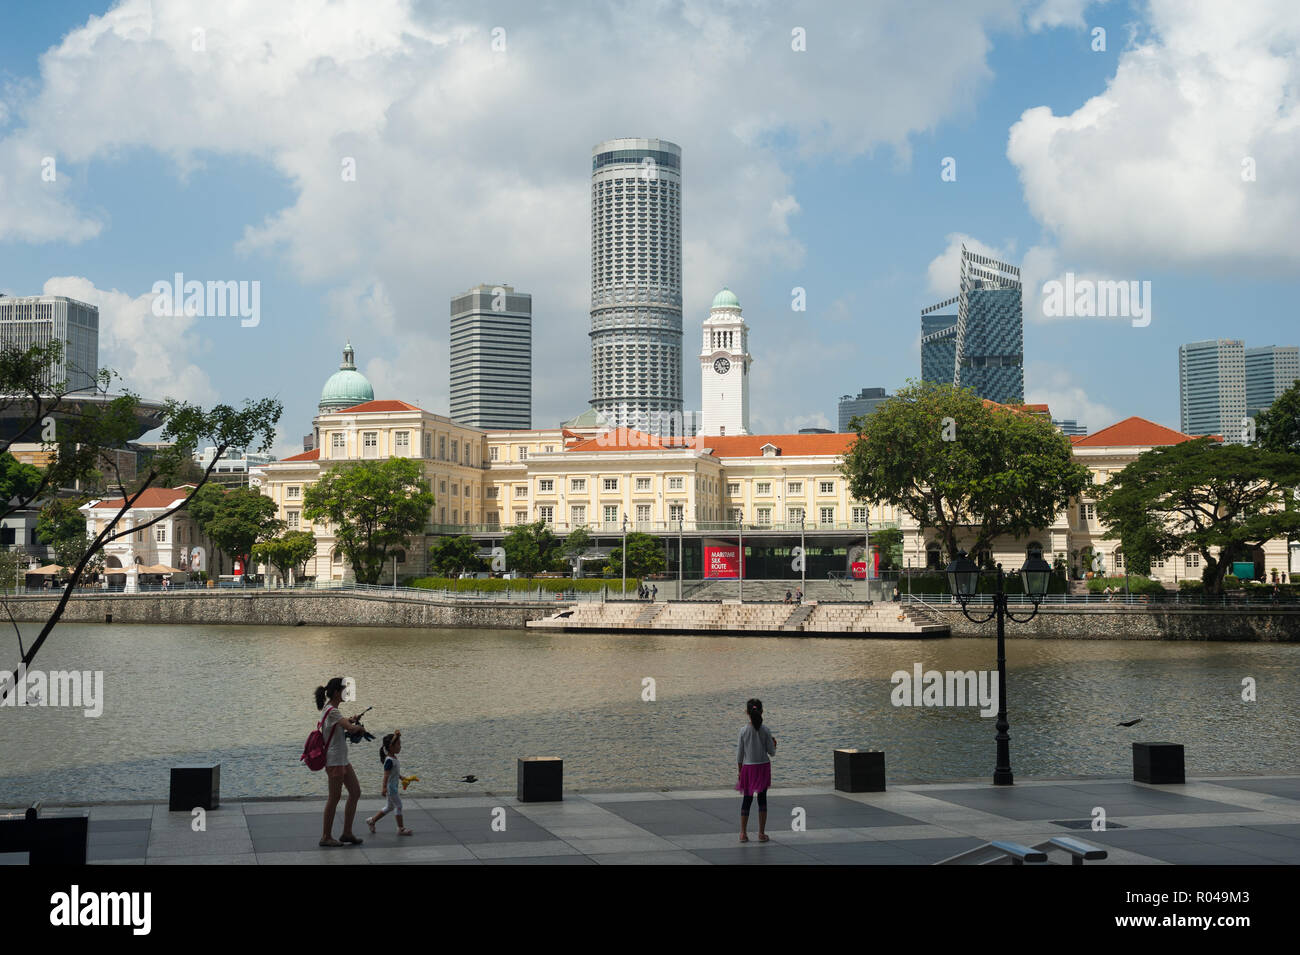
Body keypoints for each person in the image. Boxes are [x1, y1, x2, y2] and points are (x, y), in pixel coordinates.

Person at [314, 677, 367, 847]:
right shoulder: (332, 711)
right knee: (334, 797)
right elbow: (350, 729)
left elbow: (342, 724)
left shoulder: (332, 710)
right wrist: (359, 727)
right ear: (337, 692)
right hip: (335, 760)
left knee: (355, 792)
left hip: (342, 760)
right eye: (344, 690)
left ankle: (347, 833)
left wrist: (350, 720)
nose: (346, 693)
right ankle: (326, 836)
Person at [735, 698, 776, 843]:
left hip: (748, 768)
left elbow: (739, 755)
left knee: (747, 800)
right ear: (762, 711)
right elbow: (772, 752)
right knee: (762, 800)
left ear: (747, 712)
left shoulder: (743, 730)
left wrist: (740, 772)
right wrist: (774, 743)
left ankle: (743, 833)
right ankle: (761, 833)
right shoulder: (765, 730)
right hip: (763, 767)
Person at [366, 731, 413, 836]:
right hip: (391, 789)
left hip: (392, 787)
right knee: (399, 806)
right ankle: (400, 828)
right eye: (398, 744)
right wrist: (383, 788)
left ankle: (372, 820)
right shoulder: (389, 760)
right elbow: (386, 775)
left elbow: (393, 772)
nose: (400, 746)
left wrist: (401, 778)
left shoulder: (393, 758)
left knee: (389, 807)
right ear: (391, 747)